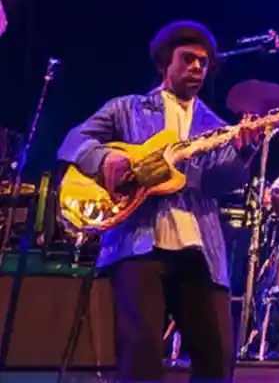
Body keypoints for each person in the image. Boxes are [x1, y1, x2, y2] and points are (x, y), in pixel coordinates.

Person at [57, 21, 257, 383]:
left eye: (204, 62)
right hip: (139, 242)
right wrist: (104, 160)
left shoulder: (214, 126)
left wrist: (246, 148)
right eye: (189, 59)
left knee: (218, 355)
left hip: (200, 249)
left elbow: (220, 181)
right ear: (166, 63)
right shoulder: (127, 109)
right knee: (142, 350)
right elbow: (74, 141)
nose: (197, 67)